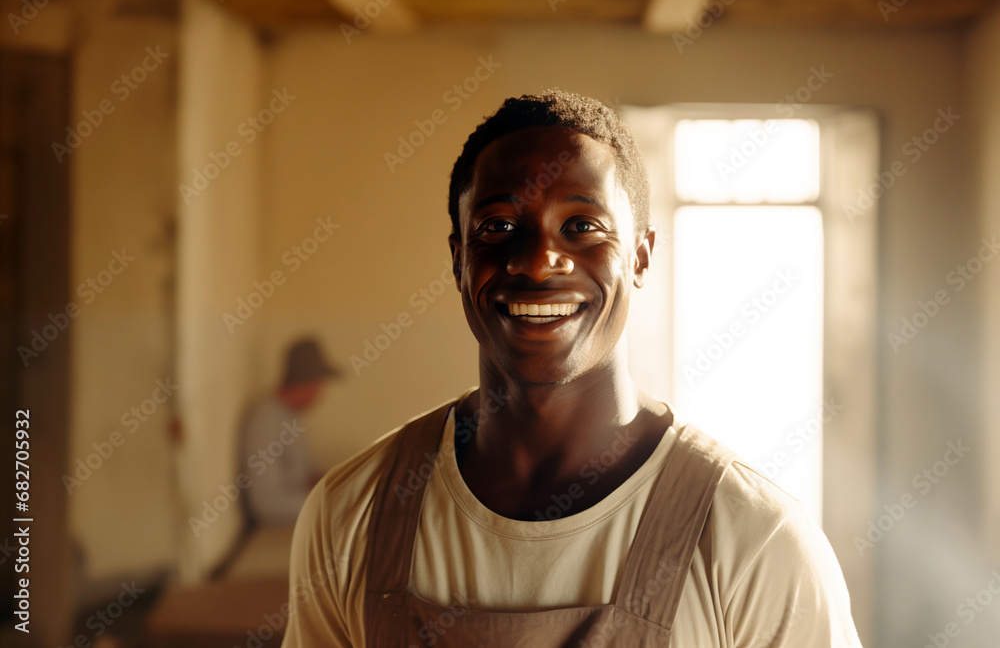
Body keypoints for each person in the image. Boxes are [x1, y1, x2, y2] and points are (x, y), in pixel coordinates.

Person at [282, 91, 863, 646]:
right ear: (459, 259)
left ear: (640, 256)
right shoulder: (351, 511)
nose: (537, 260)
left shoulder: (755, 539)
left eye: (582, 226)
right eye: (498, 228)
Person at [240, 337, 337, 527]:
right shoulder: (265, 421)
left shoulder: (291, 417)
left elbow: (308, 475)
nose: (320, 394)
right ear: (306, 382)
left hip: (296, 516)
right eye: (318, 385)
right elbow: (265, 504)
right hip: (273, 527)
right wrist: (332, 505)